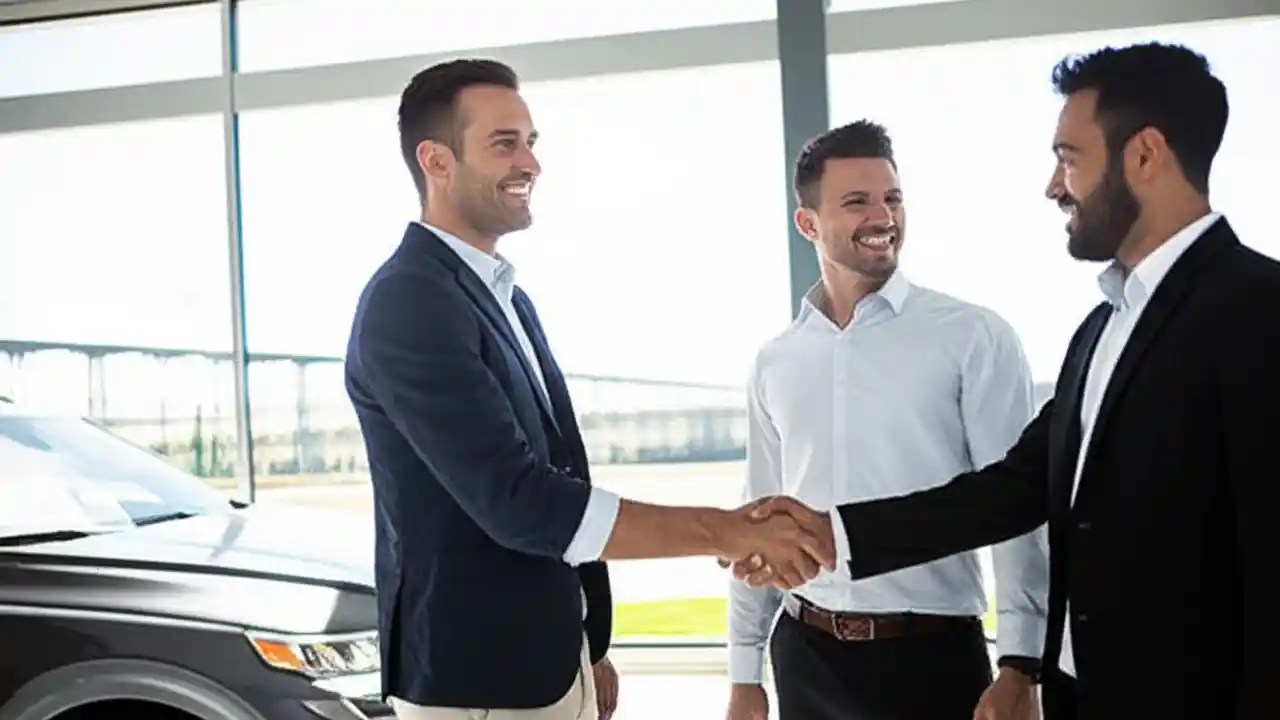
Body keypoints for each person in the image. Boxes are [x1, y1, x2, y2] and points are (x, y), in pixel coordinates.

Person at [732, 42, 1280, 720]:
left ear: (1144, 155)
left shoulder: (1260, 314)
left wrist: (1014, 665)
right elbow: (1011, 492)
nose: (1054, 185)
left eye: (1069, 158)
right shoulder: (1099, 332)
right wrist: (832, 536)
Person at [344, 58, 836, 720]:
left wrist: (587, 641)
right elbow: (521, 501)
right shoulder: (410, 302)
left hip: (547, 665)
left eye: (531, 142)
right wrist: (726, 532)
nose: (531, 163)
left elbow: (561, 470)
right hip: (479, 684)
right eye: (504, 143)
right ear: (436, 160)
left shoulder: (505, 298)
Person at [724, 120, 1049, 720]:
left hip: (930, 660)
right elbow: (761, 514)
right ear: (808, 224)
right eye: (857, 202)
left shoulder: (973, 336)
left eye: (892, 198)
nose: (883, 216)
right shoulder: (776, 360)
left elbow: (1016, 509)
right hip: (804, 655)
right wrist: (745, 671)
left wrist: (1021, 666)